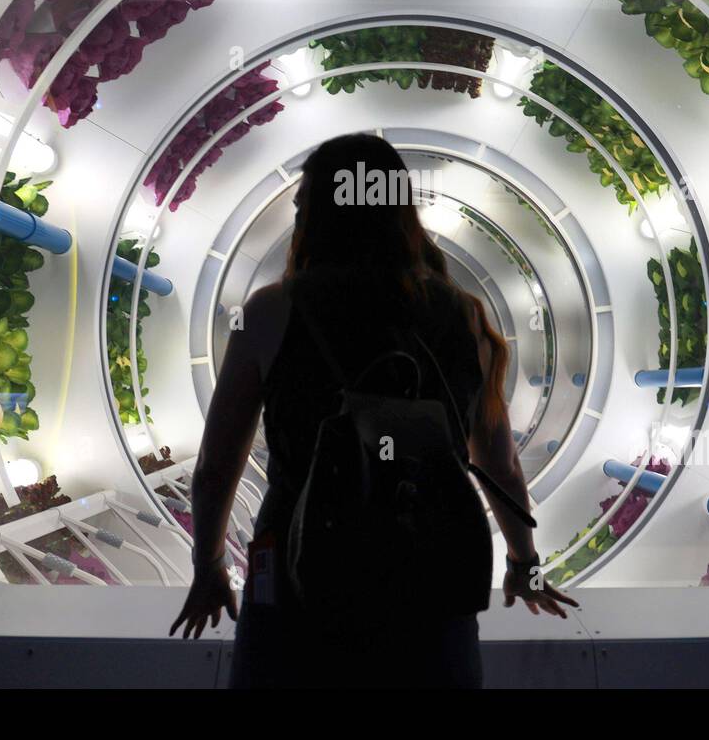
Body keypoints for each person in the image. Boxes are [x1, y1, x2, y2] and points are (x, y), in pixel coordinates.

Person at [171, 133, 576, 687]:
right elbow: (500, 467)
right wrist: (524, 565)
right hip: (429, 576)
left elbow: (217, 466)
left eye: (301, 203)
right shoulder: (465, 318)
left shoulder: (272, 311)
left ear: (318, 214)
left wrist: (209, 566)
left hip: (292, 574)